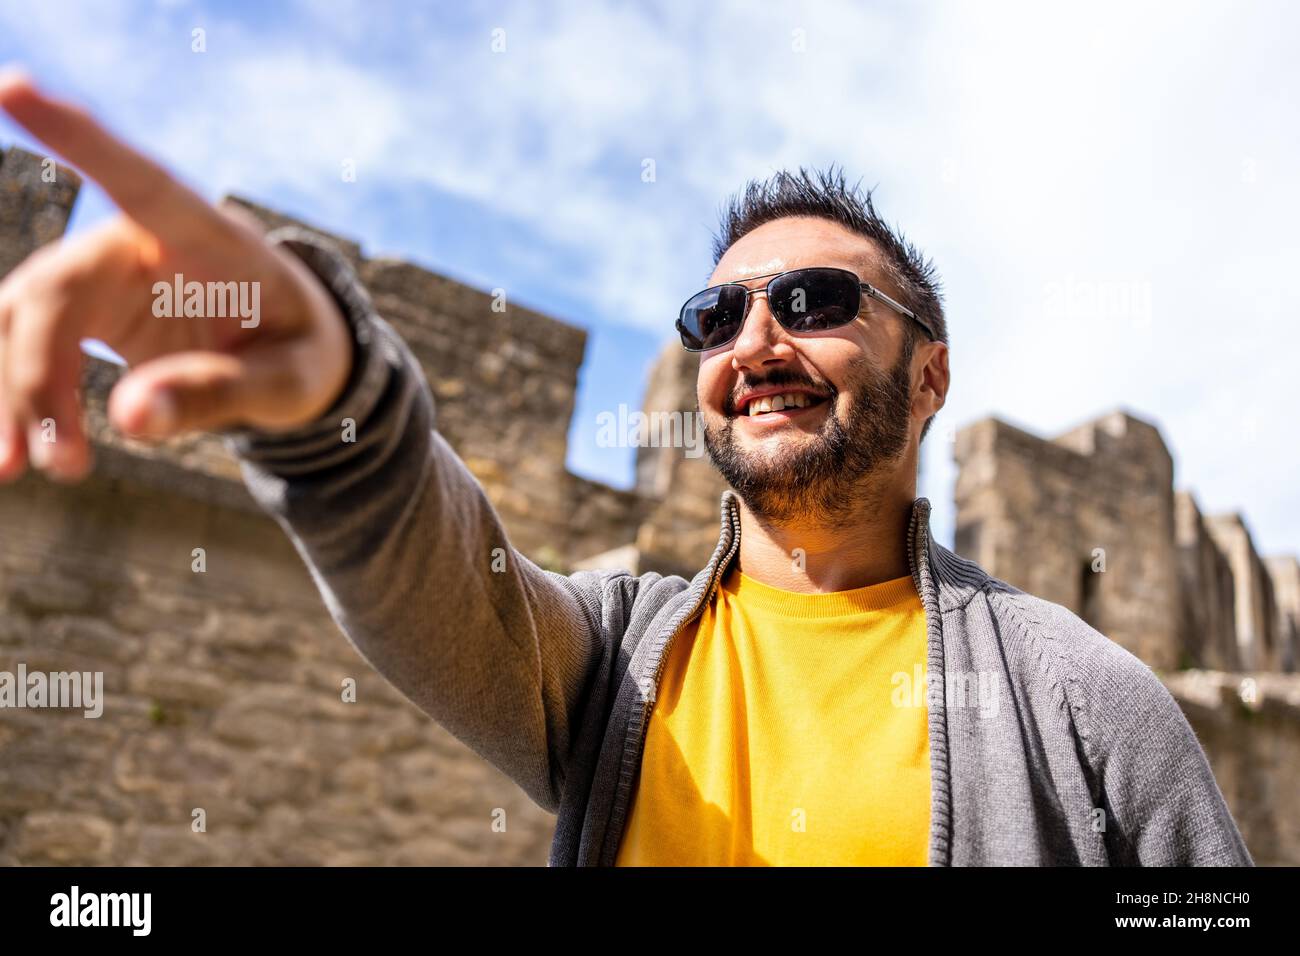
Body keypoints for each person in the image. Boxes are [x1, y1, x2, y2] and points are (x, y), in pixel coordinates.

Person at [0, 72, 1253, 866]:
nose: (753, 341)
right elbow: (435, 569)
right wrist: (335, 386)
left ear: (930, 376)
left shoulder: (1085, 700)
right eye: (714, 318)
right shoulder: (610, 660)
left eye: (813, 300)